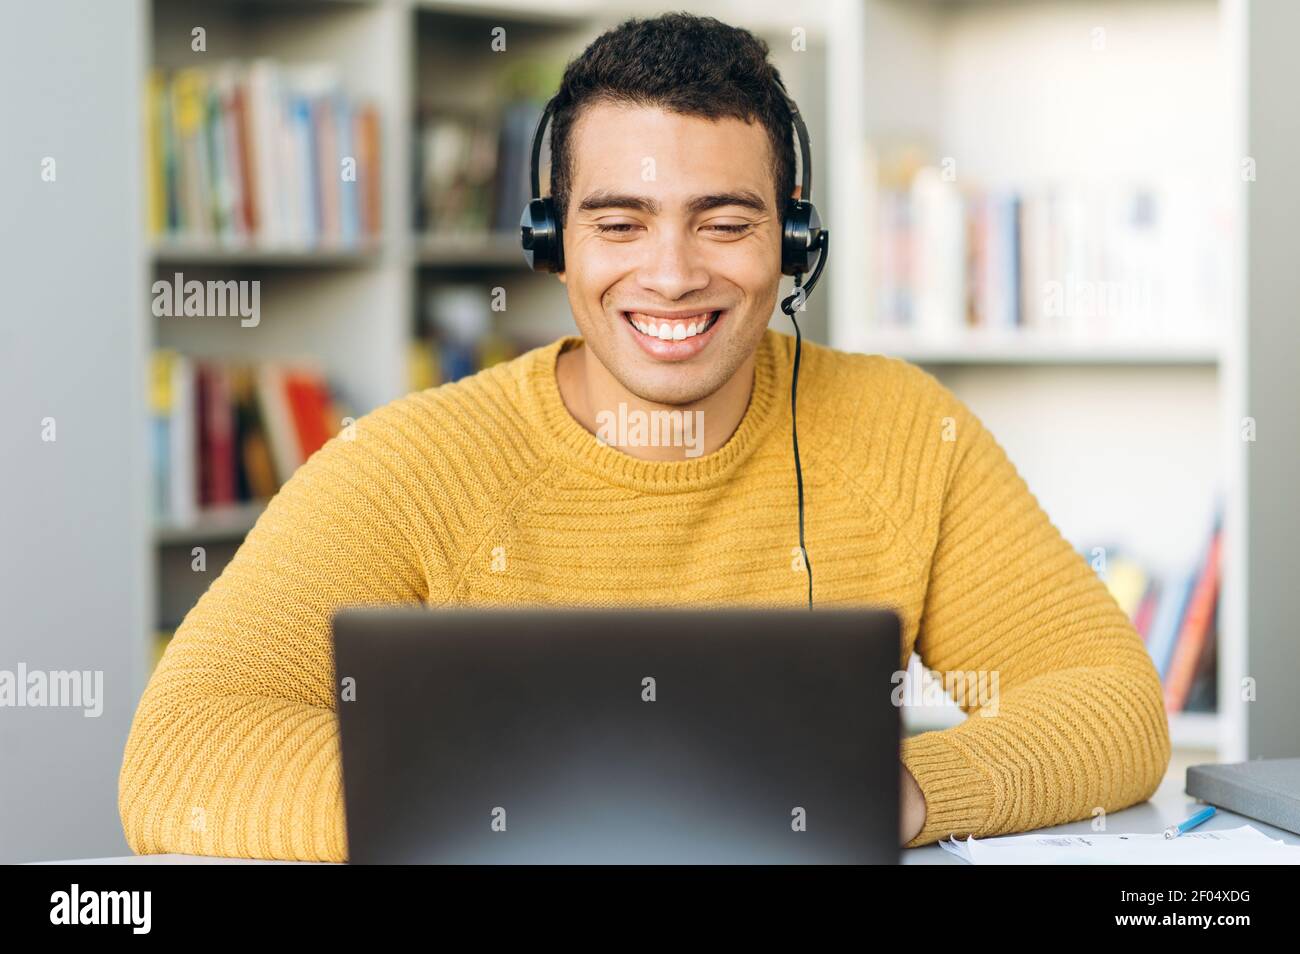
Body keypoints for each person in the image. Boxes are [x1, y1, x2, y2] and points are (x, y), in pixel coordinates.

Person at [119, 13, 1170, 862]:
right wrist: (532, 816)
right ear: (553, 241)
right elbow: (180, 753)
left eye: (724, 221)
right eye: (619, 224)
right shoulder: (407, 463)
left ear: (793, 239)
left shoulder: (904, 429)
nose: (670, 275)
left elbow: (1112, 706)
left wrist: (880, 797)